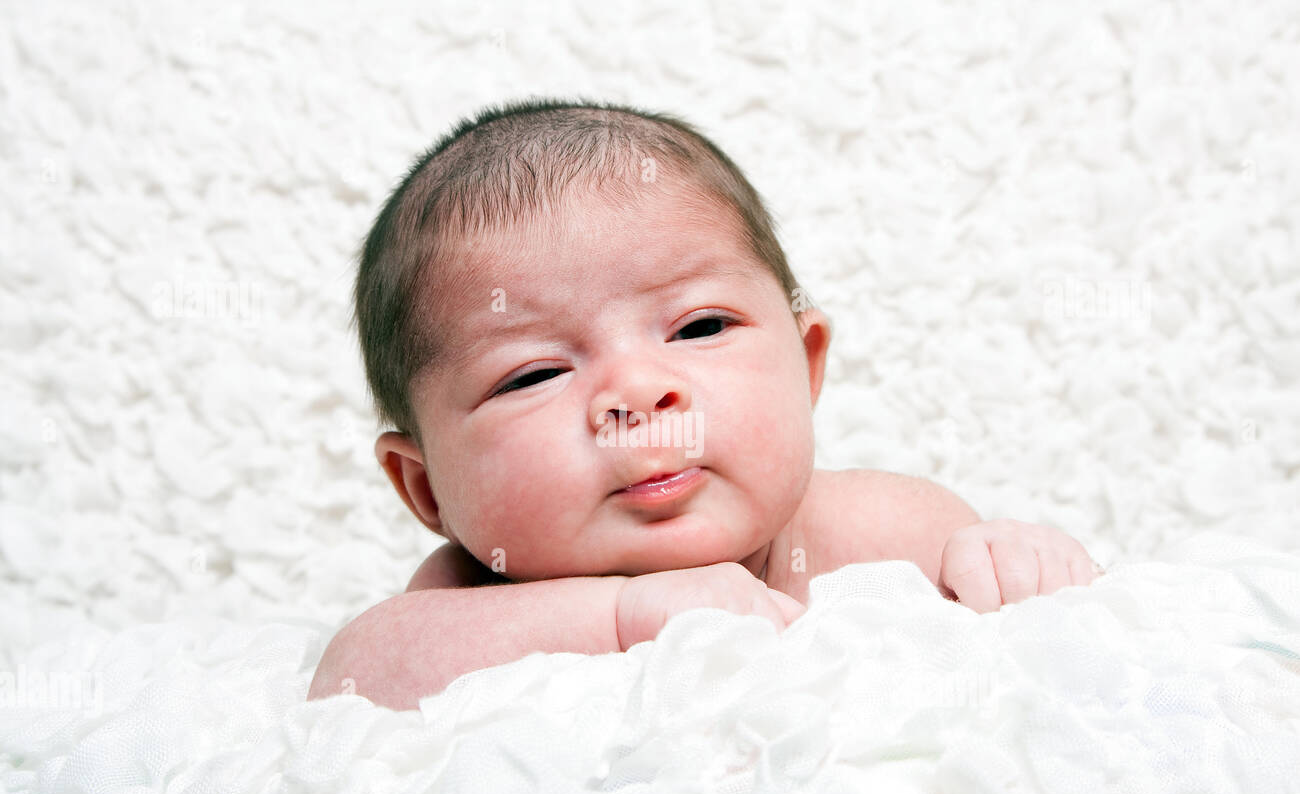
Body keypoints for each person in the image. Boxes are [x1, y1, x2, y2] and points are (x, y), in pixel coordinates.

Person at [308, 98, 1101, 710]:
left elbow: (1045, 667)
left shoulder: (889, 532)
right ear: (425, 487)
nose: (638, 393)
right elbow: (357, 677)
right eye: (533, 375)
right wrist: (624, 620)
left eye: (700, 326)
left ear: (807, 362)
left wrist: (1021, 565)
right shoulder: (475, 597)